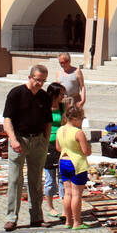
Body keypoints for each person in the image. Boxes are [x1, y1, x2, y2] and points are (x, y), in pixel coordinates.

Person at [1, 64, 52, 231]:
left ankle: (37, 217)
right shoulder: (16, 93)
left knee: (36, 180)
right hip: (19, 140)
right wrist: (13, 140)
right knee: (15, 180)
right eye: (37, 80)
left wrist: (45, 139)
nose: (40, 84)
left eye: (43, 81)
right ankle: (11, 218)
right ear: (30, 77)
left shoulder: (44, 97)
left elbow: (48, 121)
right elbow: (7, 119)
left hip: (38, 141)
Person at [55, 104, 91, 229]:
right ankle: (77, 222)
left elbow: (58, 148)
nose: (82, 121)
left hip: (63, 161)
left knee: (67, 193)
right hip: (76, 163)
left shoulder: (60, 130)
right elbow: (86, 151)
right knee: (76, 194)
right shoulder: (78, 132)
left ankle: (68, 221)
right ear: (76, 119)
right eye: (81, 119)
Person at [41, 82, 66, 220]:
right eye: (61, 94)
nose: (63, 96)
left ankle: (64, 207)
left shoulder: (62, 107)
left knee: (63, 177)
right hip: (48, 144)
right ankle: (50, 207)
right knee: (50, 179)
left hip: (61, 144)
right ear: (55, 94)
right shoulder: (46, 108)